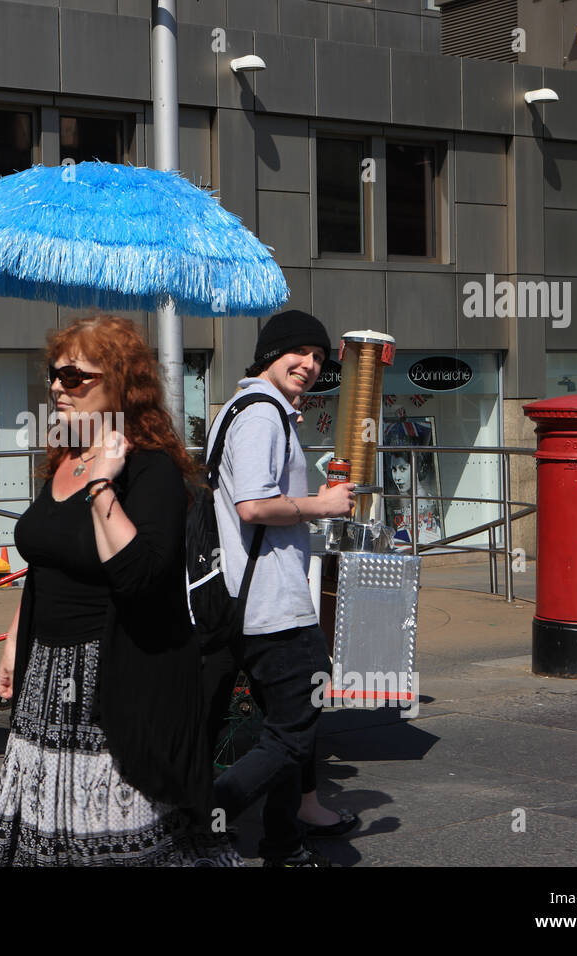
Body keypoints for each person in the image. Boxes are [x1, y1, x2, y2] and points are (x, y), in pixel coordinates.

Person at [0, 315, 238, 866]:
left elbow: (141, 576)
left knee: (110, 825)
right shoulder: (63, 458)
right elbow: (45, 564)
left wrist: (103, 482)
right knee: (46, 821)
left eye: (76, 376)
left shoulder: (151, 471)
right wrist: (13, 639)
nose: (57, 386)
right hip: (47, 670)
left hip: (115, 672)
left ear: (121, 384)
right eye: (55, 374)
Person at [203, 309, 357, 867]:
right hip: (270, 603)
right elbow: (254, 505)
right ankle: (207, 816)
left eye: (319, 358)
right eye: (301, 353)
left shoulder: (241, 409)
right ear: (271, 353)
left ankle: (284, 842)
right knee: (294, 729)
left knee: (285, 724)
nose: (311, 365)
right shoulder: (263, 414)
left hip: (247, 598)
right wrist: (322, 504)